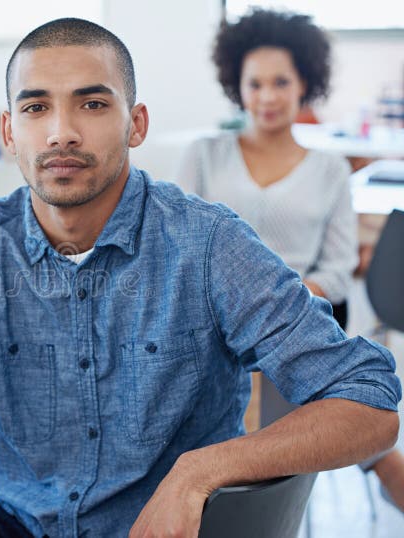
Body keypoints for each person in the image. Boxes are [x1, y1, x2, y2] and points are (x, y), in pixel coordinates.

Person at [0, 17, 400, 537]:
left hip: (167, 529)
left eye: (91, 103)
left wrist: (200, 472)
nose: (61, 132)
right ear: (9, 131)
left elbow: (369, 402)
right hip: (23, 527)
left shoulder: (207, 244)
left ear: (135, 122)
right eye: (35, 109)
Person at [175, 8, 404, 513]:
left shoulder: (329, 170)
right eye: (254, 84)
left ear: (306, 84)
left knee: (347, 402)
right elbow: (180, 253)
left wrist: (278, 305)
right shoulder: (204, 155)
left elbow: (339, 273)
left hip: (295, 321)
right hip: (213, 327)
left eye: (281, 82)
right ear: (238, 87)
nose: (268, 96)